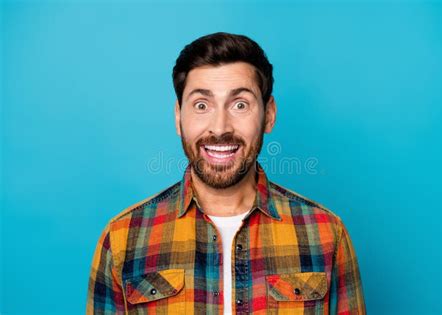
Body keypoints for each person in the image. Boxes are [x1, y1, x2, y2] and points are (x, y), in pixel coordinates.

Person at [86, 32, 366, 314]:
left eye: (240, 105)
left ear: (269, 115)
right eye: (201, 105)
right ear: (178, 117)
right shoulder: (122, 239)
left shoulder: (327, 234)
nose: (220, 128)